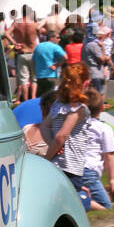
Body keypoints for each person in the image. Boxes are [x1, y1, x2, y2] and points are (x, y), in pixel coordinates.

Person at [41, 63, 92, 203]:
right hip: (70, 165)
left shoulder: (58, 104)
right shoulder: (79, 109)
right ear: (84, 83)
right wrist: (49, 155)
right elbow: (62, 136)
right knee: (68, 204)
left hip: (57, 163)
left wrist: (52, 147)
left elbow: (45, 127)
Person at [81, 89, 114, 209]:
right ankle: (79, 203)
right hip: (89, 170)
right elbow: (109, 154)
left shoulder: (75, 125)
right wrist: (112, 179)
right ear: (102, 108)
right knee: (106, 207)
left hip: (73, 169)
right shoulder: (103, 128)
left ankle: (80, 201)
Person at [9, 10, 39, 102]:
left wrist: (14, 43)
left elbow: (6, 33)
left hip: (22, 53)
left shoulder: (17, 23)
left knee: (23, 80)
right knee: (34, 79)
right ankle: (33, 99)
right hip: (33, 52)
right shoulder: (34, 23)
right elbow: (41, 32)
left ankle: (26, 101)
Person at [33, 32, 68, 98]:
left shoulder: (38, 46)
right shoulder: (55, 46)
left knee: (41, 98)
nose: (59, 39)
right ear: (51, 38)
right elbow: (65, 57)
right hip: (51, 76)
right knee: (53, 98)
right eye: (57, 37)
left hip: (40, 76)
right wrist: (57, 65)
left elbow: (33, 61)